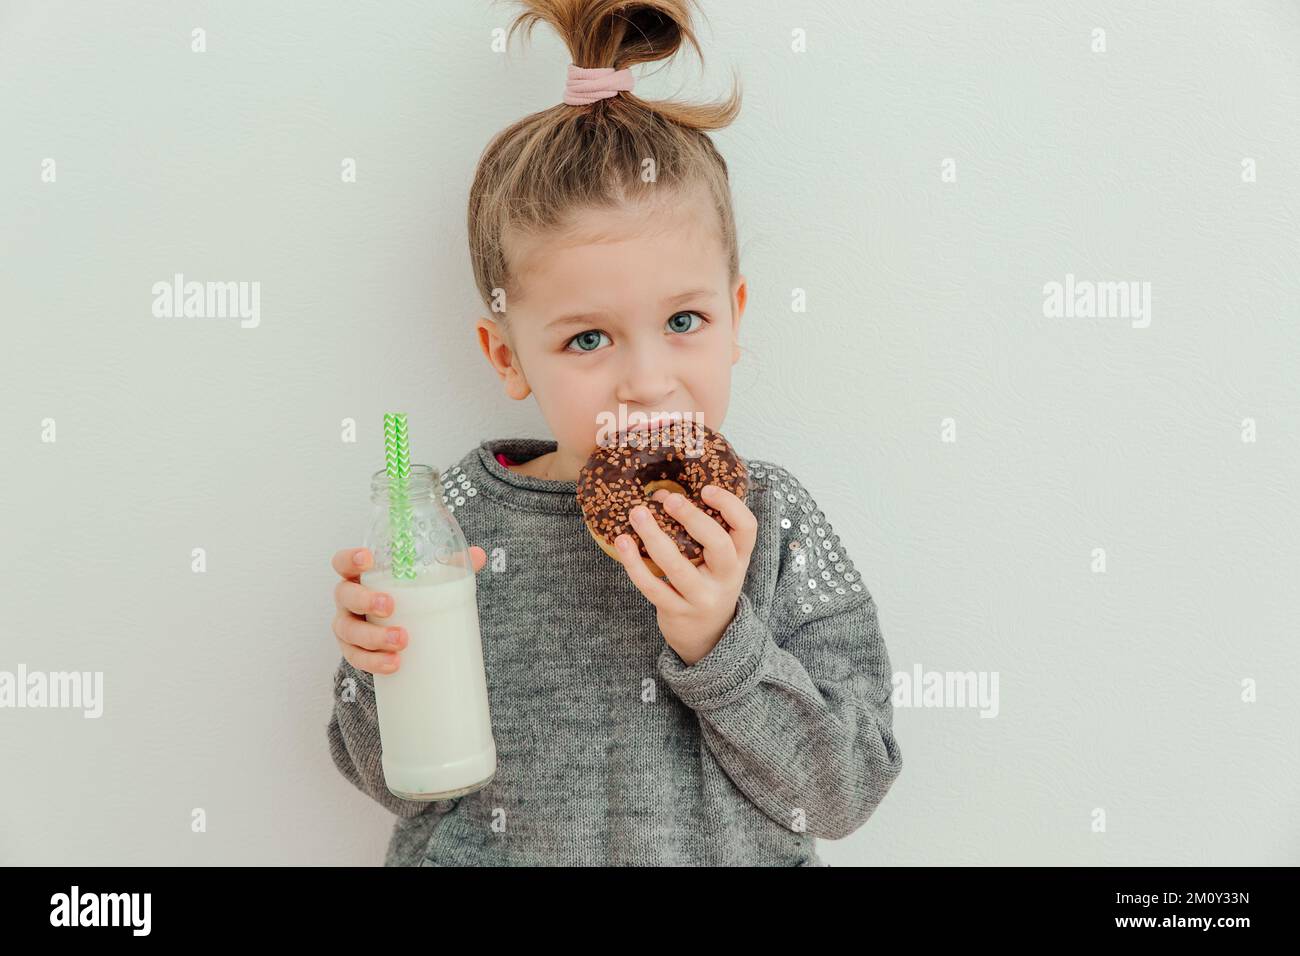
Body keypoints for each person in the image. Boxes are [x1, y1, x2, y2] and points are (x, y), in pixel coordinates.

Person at [327, 0, 903, 866]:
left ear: (735, 316)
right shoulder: (445, 529)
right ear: (508, 354)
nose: (647, 381)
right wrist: (384, 669)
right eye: (587, 339)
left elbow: (844, 792)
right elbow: (393, 779)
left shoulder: (773, 522)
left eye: (684, 320)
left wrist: (720, 642)